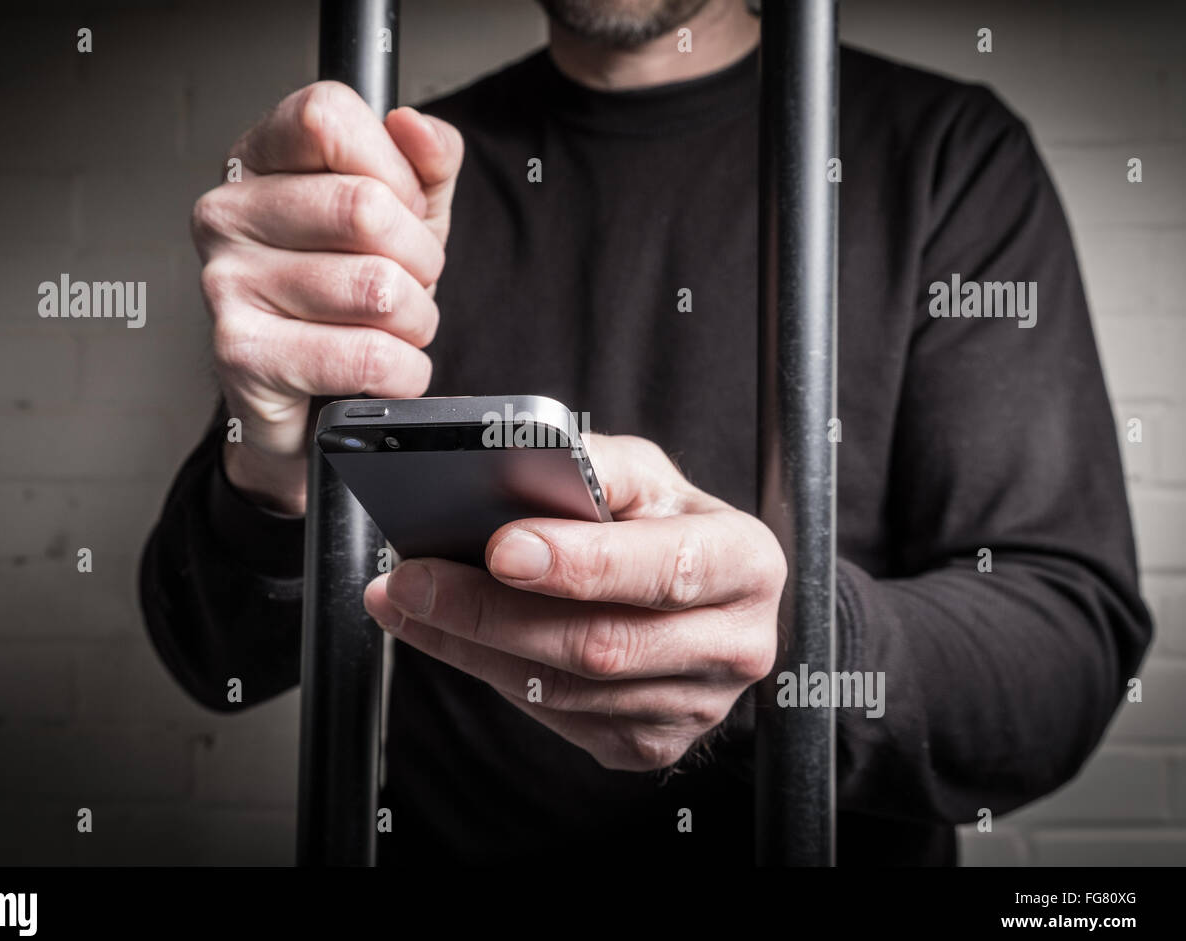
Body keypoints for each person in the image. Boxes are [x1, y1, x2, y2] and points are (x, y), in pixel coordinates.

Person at [139, 0, 1152, 864]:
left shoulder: (940, 152)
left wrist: (780, 640)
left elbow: (1058, 653)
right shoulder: (395, 188)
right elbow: (216, 655)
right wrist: (273, 459)